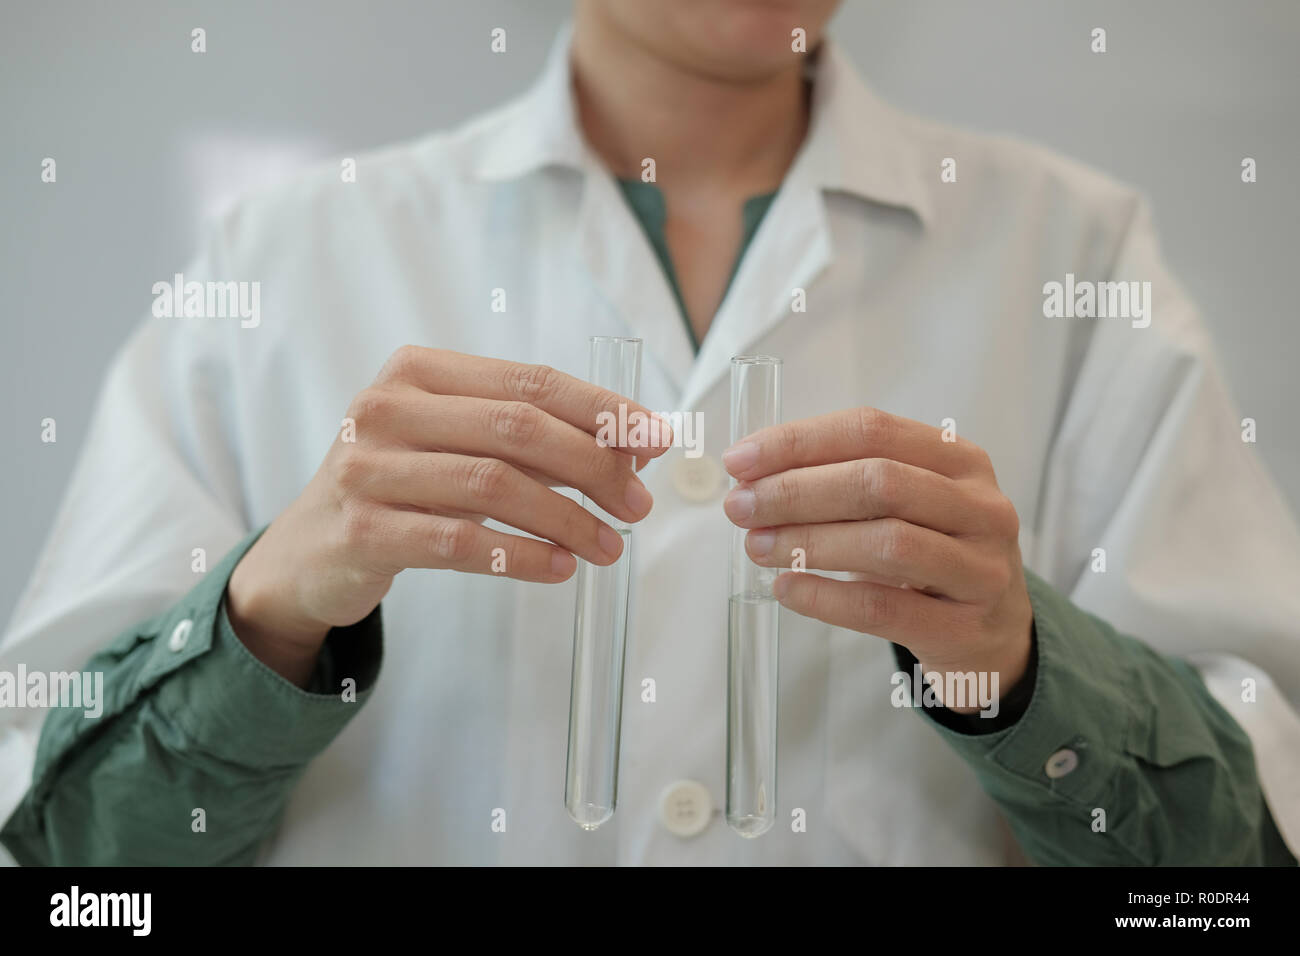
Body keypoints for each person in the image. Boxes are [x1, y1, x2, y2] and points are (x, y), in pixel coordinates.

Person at [2, 0, 1297, 866]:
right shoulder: (288, 255)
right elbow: (64, 872)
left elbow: (1241, 874)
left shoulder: (1074, 253)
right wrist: (266, 625)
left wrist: (1023, 675)